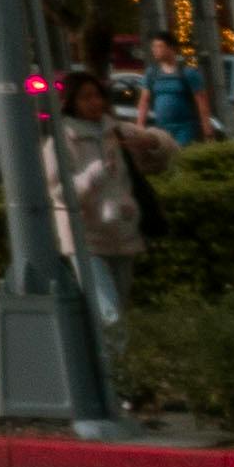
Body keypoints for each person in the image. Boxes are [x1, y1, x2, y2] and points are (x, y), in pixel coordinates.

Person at [45, 92, 151, 325]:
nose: (94, 101)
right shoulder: (61, 140)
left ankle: (108, 357)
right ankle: (112, 360)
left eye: (97, 95)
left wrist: (153, 143)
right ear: (71, 103)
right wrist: (91, 177)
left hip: (122, 230)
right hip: (84, 237)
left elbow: (162, 154)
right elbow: (58, 192)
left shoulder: (117, 132)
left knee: (118, 308)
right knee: (109, 313)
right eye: (85, 96)